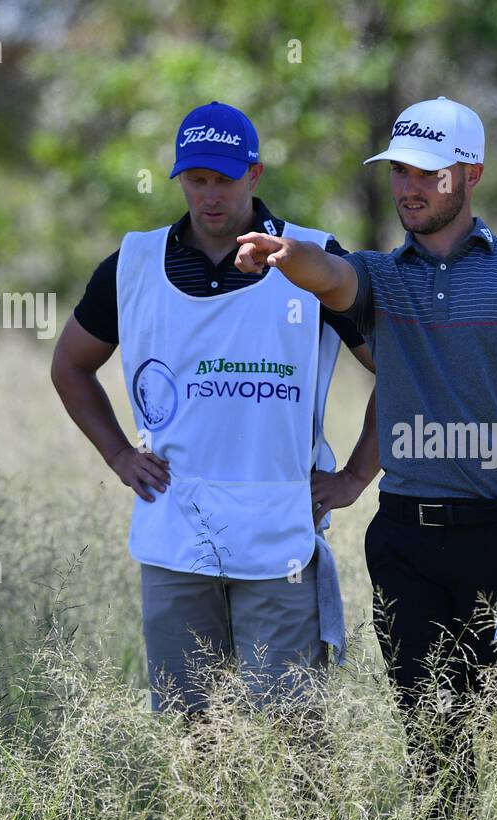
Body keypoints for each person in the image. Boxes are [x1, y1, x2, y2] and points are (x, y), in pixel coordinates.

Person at [235, 97, 497, 820]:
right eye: (398, 170)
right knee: (430, 734)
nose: (408, 186)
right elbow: (329, 275)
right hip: (405, 543)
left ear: (471, 173)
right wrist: (282, 253)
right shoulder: (383, 280)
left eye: (427, 171)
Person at [51, 100, 379, 718]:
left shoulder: (311, 254)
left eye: (223, 179)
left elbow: (396, 370)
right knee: (188, 732)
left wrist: (357, 476)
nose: (209, 195)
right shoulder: (134, 264)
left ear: (254, 175)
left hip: (279, 531)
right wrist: (119, 454)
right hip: (173, 533)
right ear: (179, 178)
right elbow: (69, 366)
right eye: (195, 179)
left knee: (291, 737)